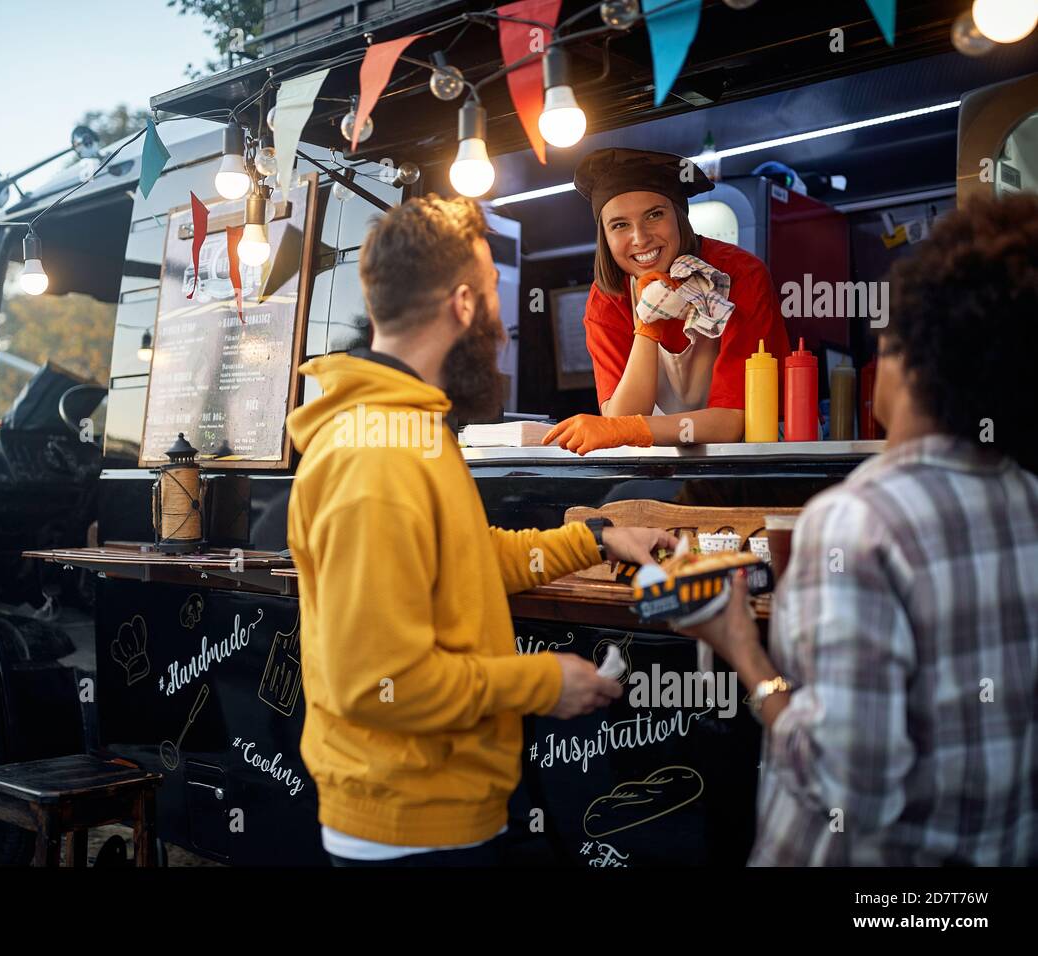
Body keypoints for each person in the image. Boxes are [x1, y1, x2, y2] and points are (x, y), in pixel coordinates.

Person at [285, 195, 677, 866]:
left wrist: (597, 537)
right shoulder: (375, 457)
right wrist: (542, 684)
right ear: (463, 306)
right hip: (409, 829)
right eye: (494, 299)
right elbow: (379, 682)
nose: (499, 324)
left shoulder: (413, 427)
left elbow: (467, 558)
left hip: (448, 813)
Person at [681, 195, 1038, 865]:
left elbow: (847, 784)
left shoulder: (857, 522)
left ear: (905, 347)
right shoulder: (1027, 498)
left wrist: (742, 649)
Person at [544, 148, 790, 453]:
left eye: (654, 215)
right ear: (604, 238)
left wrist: (626, 429)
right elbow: (619, 420)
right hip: (670, 459)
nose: (640, 237)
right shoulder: (608, 298)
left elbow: (731, 423)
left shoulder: (739, 274)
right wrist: (649, 324)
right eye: (620, 225)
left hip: (756, 457)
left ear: (679, 217)